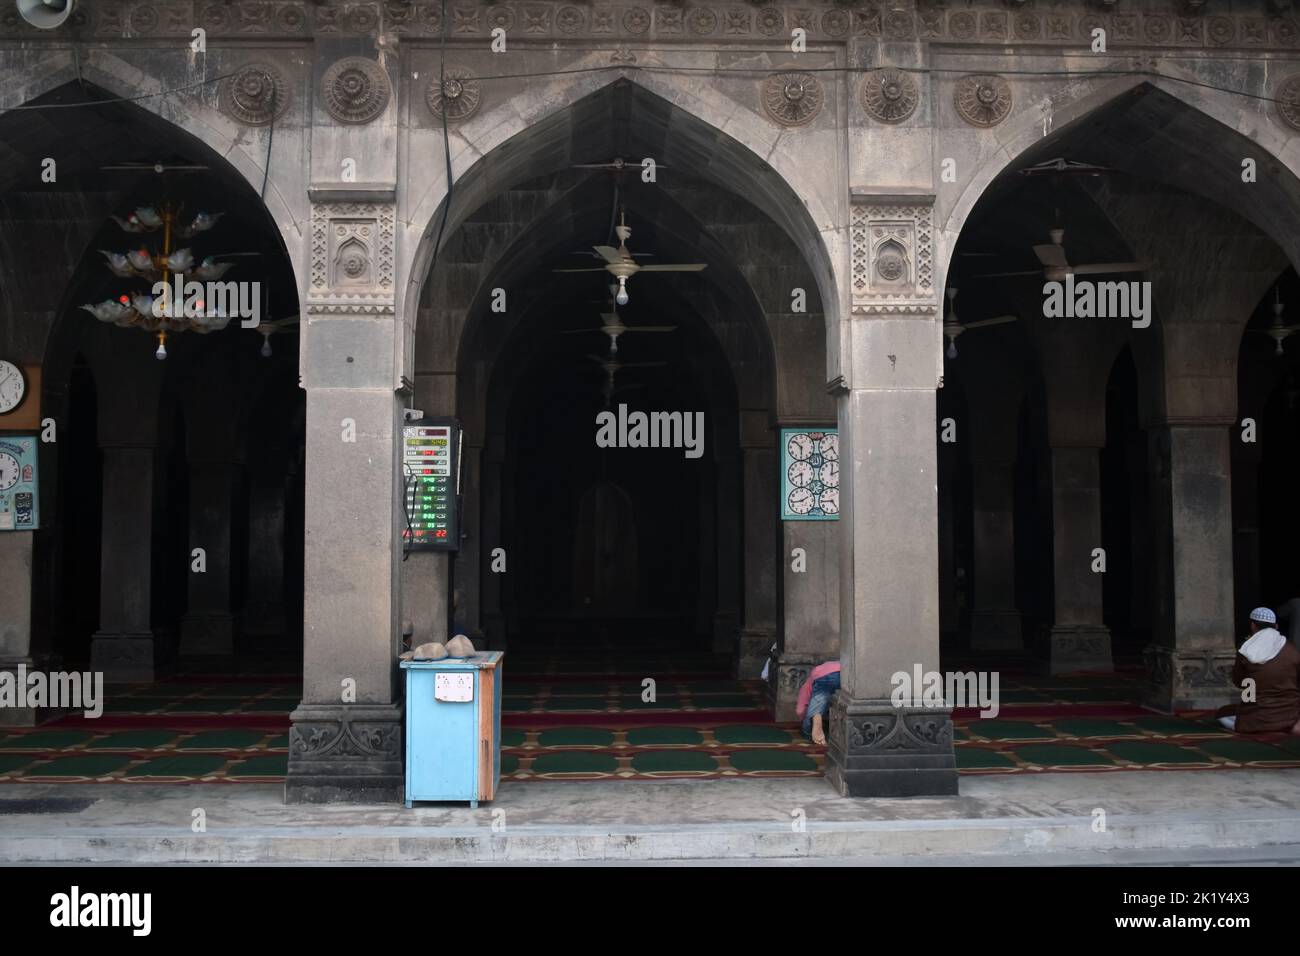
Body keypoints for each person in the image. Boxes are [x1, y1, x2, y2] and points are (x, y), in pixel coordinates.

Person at [1216, 607, 1300, 734]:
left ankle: (1253, 722)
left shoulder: (1246, 650)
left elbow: (1240, 682)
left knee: (1223, 713)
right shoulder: (1292, 650)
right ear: (1276, 626)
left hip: (1257, 717)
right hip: (1290, 714)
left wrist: (1246, 708)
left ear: (1253, 626)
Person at [796, 660, 841, 746]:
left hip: (822, 675)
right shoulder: (837, 663)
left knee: (820, 696)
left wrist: (805, 717)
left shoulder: (809, 681)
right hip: (846, 673)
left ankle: (816, 721)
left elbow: (800, 710)